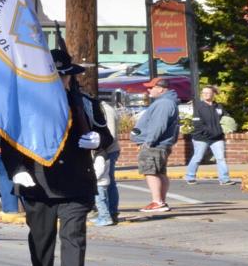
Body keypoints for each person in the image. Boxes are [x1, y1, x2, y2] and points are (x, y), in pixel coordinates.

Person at [1, 49, 113, 266]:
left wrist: (98, 140)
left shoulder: (85, 103)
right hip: (37, 181)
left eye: (64, 76)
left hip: (76, 180)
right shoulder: (24, 106)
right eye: (55, 76)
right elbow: (10, 142)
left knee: (73, 234)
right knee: (41, 237)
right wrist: (17, 170)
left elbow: (106, 136)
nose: (61, 81)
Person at [130, 76, 180, 212]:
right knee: (159, 173)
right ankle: (161, 201)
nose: (148, 90)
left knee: (151, 172)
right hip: (160, 144)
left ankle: (157, 202)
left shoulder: (163, 103)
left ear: (161, 89)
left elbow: (159, 125)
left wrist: (148, 142)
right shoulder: (167, 102)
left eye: (151, 87)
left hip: (155, 145)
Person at [184, 86, 234, 185]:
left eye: (208, 93)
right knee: (198, 157)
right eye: (204, 93)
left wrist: (227, 126)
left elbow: (226, 118)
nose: (205, 94)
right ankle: (190, 176)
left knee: (220, 158)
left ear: (213, 94)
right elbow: (197, 124)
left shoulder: (218, 106)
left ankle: (224, 179)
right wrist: (210, 132)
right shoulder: (198, 107)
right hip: (201, 138)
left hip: (217, 138)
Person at [91, 95, 122, 226]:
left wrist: (100, 151)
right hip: (101, 151)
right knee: (104, 183)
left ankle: (110, 213)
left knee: (105, 183)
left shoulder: (105, 109)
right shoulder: (98, 107)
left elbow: (110, 134)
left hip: (107, 151)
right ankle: (106, 213)